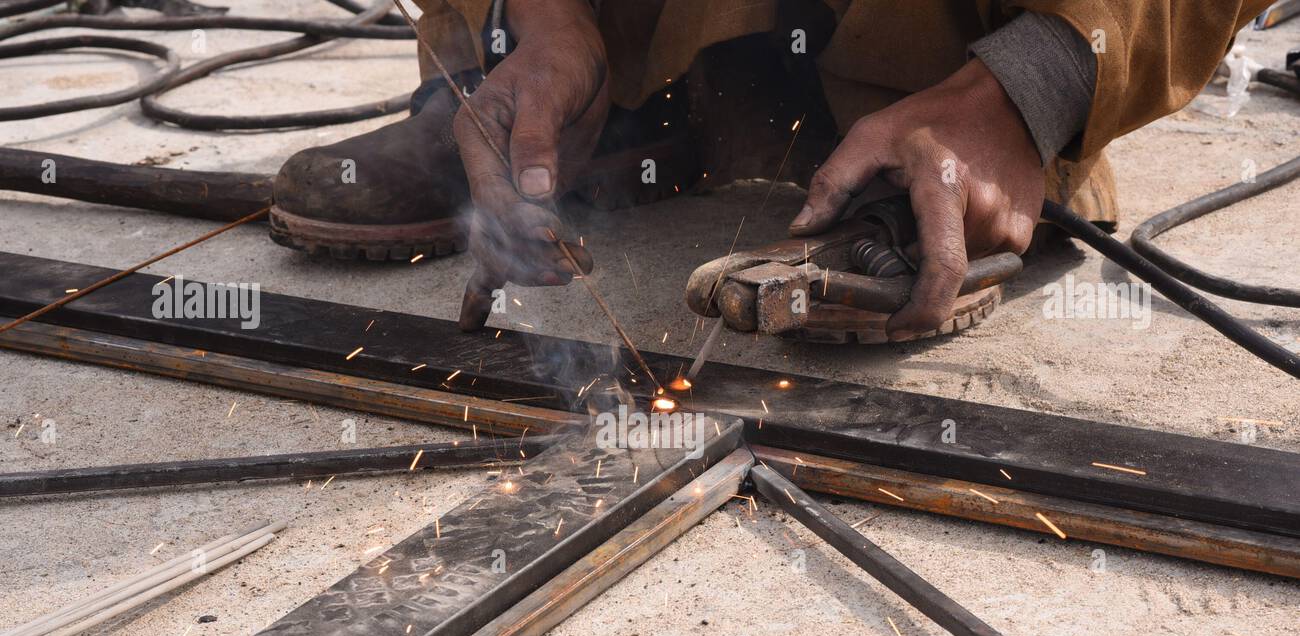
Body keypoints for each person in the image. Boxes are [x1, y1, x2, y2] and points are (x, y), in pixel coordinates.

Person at [270, 0, 1269, 340]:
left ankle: (969, 127)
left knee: (1008, 73)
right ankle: (595, 95)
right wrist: (540, 21)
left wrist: (1031, 82)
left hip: (954, 49)